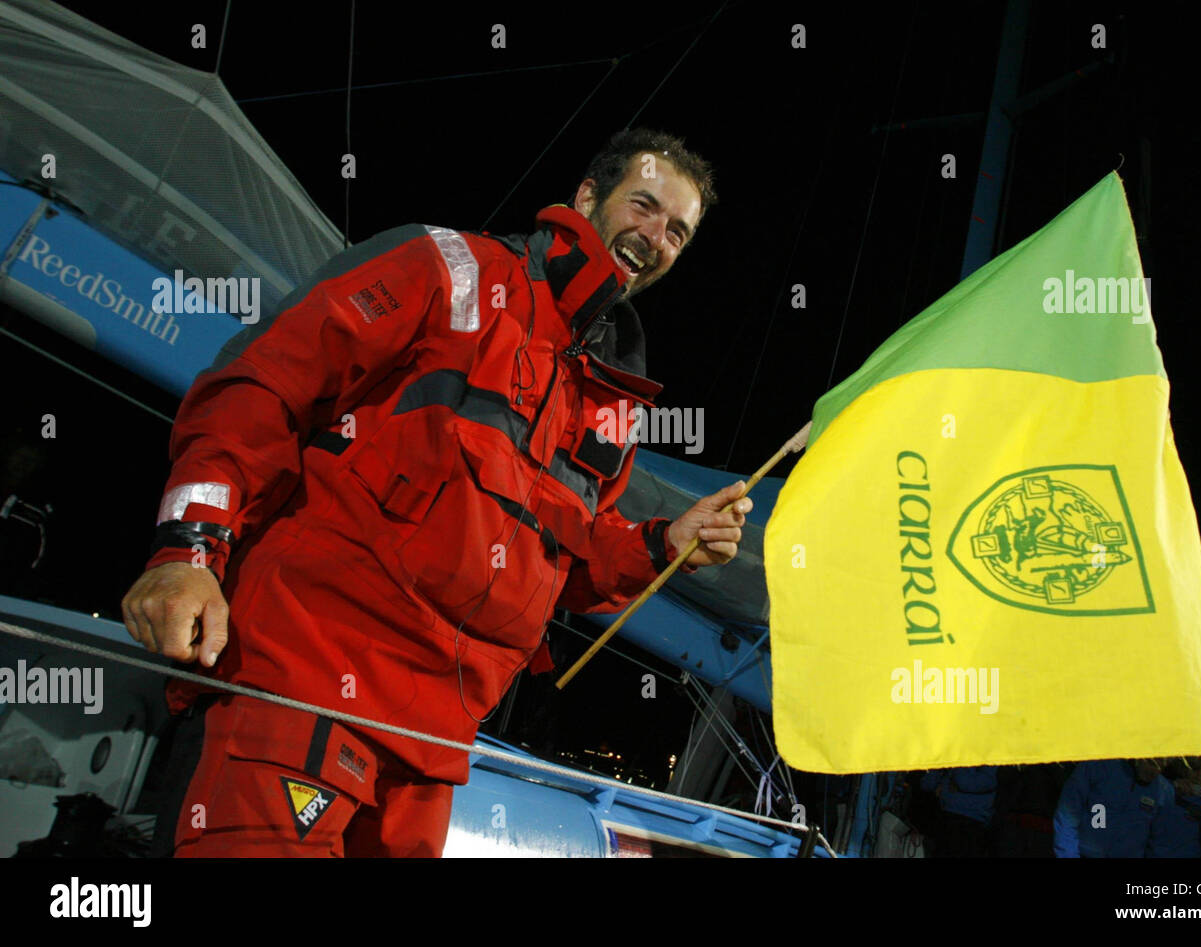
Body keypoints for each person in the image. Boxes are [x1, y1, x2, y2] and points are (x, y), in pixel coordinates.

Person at [122, 128, 751, 857]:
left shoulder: (611, 406)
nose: (656, 236)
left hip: (431, 755)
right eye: (644, 206)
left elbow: (566, 569)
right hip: (300, 687)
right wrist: (188, 548)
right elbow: (263, 386)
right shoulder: (447, 270)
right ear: (585, 197)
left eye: (677, 230)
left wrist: (661, 545)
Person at [1052, 758, 1173, 857]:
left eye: (1162, 767)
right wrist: (1068, 855)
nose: (1155, 772)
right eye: (1152, 763)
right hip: (1083, 853)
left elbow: (1161, 841)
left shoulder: (1163, 791)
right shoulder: (1099, 766)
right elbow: (1068, 814)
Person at [1147, 758, 1201, 857]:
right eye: (1195, 769)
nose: (1198, 776)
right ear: (1185, 769)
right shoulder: (1162, 790)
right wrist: (1172, 788)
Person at [920, 766, 998, 856]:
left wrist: (958, 766)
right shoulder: (951, 761)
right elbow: (927, 784)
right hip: (945, 817)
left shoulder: (986, 761)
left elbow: (968, 783)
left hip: (971, 821)